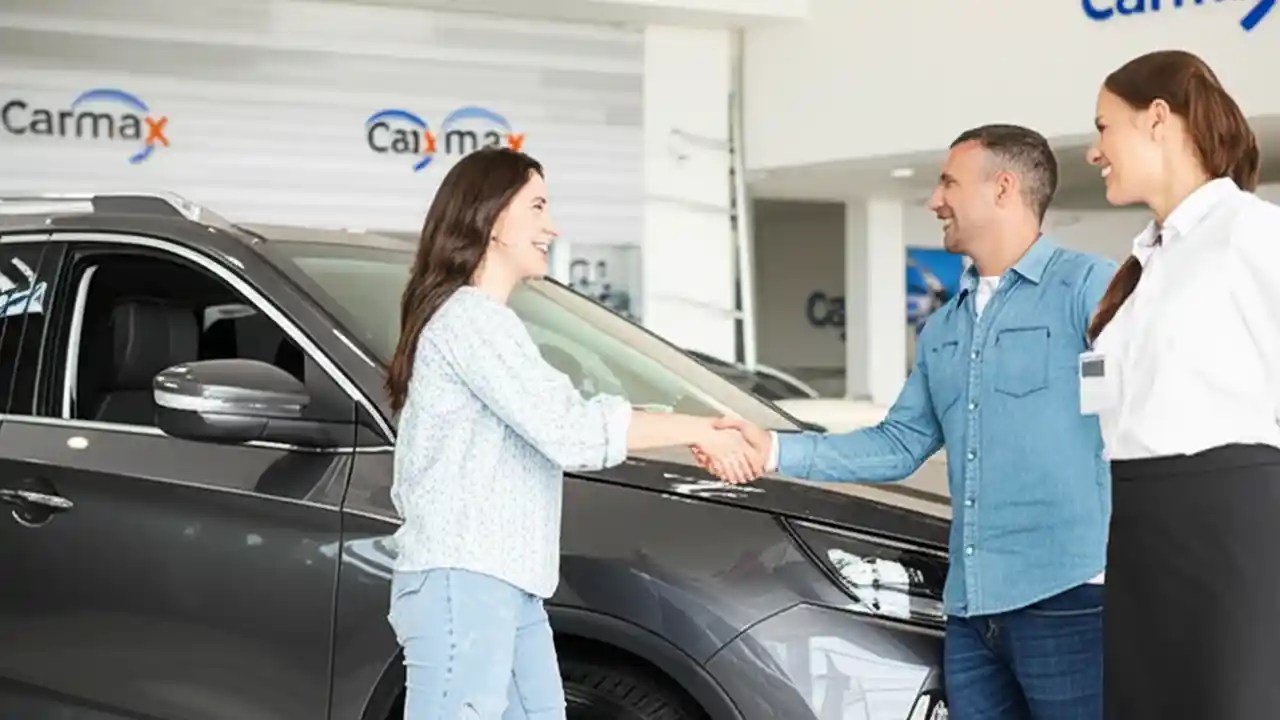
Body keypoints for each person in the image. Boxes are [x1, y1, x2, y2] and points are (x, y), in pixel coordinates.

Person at [704, 125, 1118, 720]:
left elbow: (1148, 414)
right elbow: (899, 444)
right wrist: (771, 449)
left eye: (949, 181)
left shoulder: (1088, 287)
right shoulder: (945, 327)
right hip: (972, 612)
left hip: (1070, 598)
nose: (934, 200)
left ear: (1003, 188)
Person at [383, 147, 759, 719]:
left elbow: (565, 412)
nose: (551, 226)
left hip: (504, 584)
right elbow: (568, 428)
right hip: (466, 583)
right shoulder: (470, 321)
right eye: (537, 206)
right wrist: (698, 428)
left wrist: (689, 426)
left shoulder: (486, 322)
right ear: (490, 217)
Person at [1081, 49, 1280, 719]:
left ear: (1157, 119)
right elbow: (1107, 418)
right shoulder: (1139, 267)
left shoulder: (1252, 233)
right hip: (1137, 533)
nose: (1093, 150)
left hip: (1228, 530)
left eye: (1104, 127)